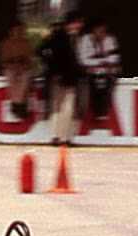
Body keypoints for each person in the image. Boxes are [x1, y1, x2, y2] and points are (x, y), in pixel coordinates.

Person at [41, 10, 84, 145]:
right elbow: (42, 50)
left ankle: (65, 136)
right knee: (58, 106)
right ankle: (57, 136)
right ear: (74, 22)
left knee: (68, 107)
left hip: (71, 76)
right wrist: (54, 70)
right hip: (59, 76)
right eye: (79, 22)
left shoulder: (75, 37)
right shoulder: (59, 35)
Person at [79, 16, 119, 120]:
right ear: (94, 29)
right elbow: (83, 59)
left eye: (104, 31)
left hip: (107, 73)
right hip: (91, 74)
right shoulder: (85, 40)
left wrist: (97, 61)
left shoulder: (110, 39)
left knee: (107, 89)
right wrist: (102, 61)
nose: (102, 34)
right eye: (100, 31)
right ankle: (95, 111)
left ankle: (104, 109)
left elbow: (115, 58)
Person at [0, 19, 34, 120]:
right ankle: (17, 104)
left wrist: (22, 67)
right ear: (10, 31)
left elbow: (30, 60)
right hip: (9, 68)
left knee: (26, 77)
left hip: (23, 68)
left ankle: (18, 103)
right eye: (15, 30)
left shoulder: (26, 43)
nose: (17, 33)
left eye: (19, 30)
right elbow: (3, 61)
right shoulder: (5, 44)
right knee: (11, 77)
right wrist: (13, 67)